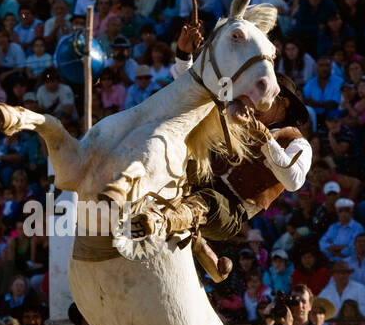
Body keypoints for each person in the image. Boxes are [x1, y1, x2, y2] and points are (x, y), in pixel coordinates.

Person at [129, 23, 312, 282]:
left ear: (283, 103)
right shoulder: (241, 113)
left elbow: (294, 181)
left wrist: (265, 140)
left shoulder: (298, 143)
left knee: (210, 202)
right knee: (187, 153)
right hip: (204, 179)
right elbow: (192, 88)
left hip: (233, 210)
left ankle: (164, 221)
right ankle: (196, 242)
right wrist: (184, 53)